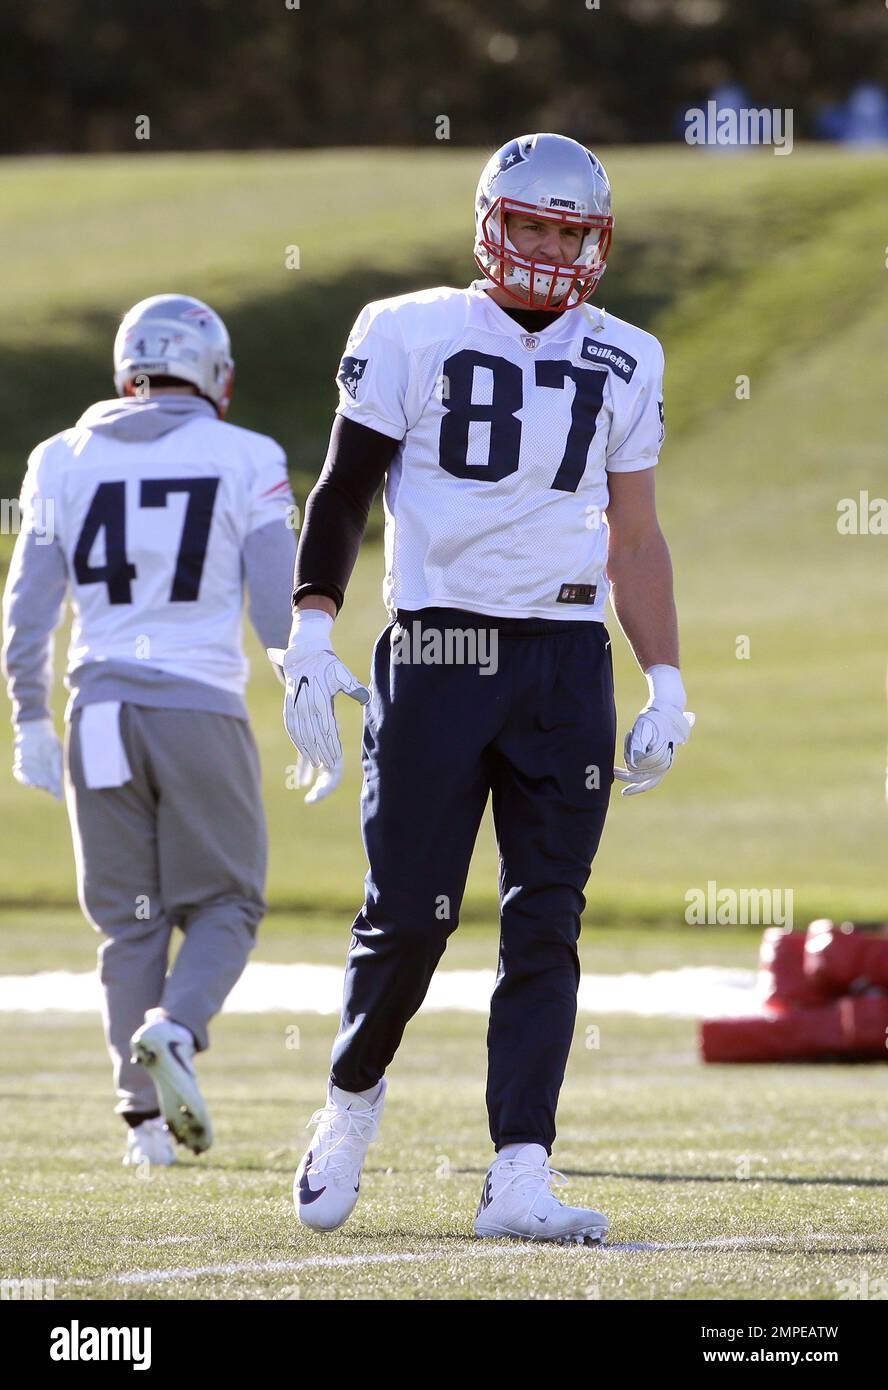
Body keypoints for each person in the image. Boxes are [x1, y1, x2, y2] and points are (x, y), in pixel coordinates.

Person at [272, 134, 693, 1244]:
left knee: (545, 920)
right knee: (409, 914)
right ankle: (352, 1101)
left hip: (564, 657)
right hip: (442, 648)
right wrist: (312, 628)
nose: (552, 250)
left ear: (595, 243)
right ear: (490, 222)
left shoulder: (628, 355)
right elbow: (344, 490)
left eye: (572, 231)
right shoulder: (407, 329)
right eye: (535, 225)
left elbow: (636, 539)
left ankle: (520, 1168)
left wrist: (668, 679)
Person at [2, 294, 300, 1166]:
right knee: (228, 900)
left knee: (129, 921)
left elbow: (25, 612)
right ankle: (176, 1027)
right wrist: (307, 694)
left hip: (94, 710)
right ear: (215, 374)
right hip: (196, 704)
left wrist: (27, 714)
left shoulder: (60, 457)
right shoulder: (248, 456)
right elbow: (277, 607)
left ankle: (143, 1129)